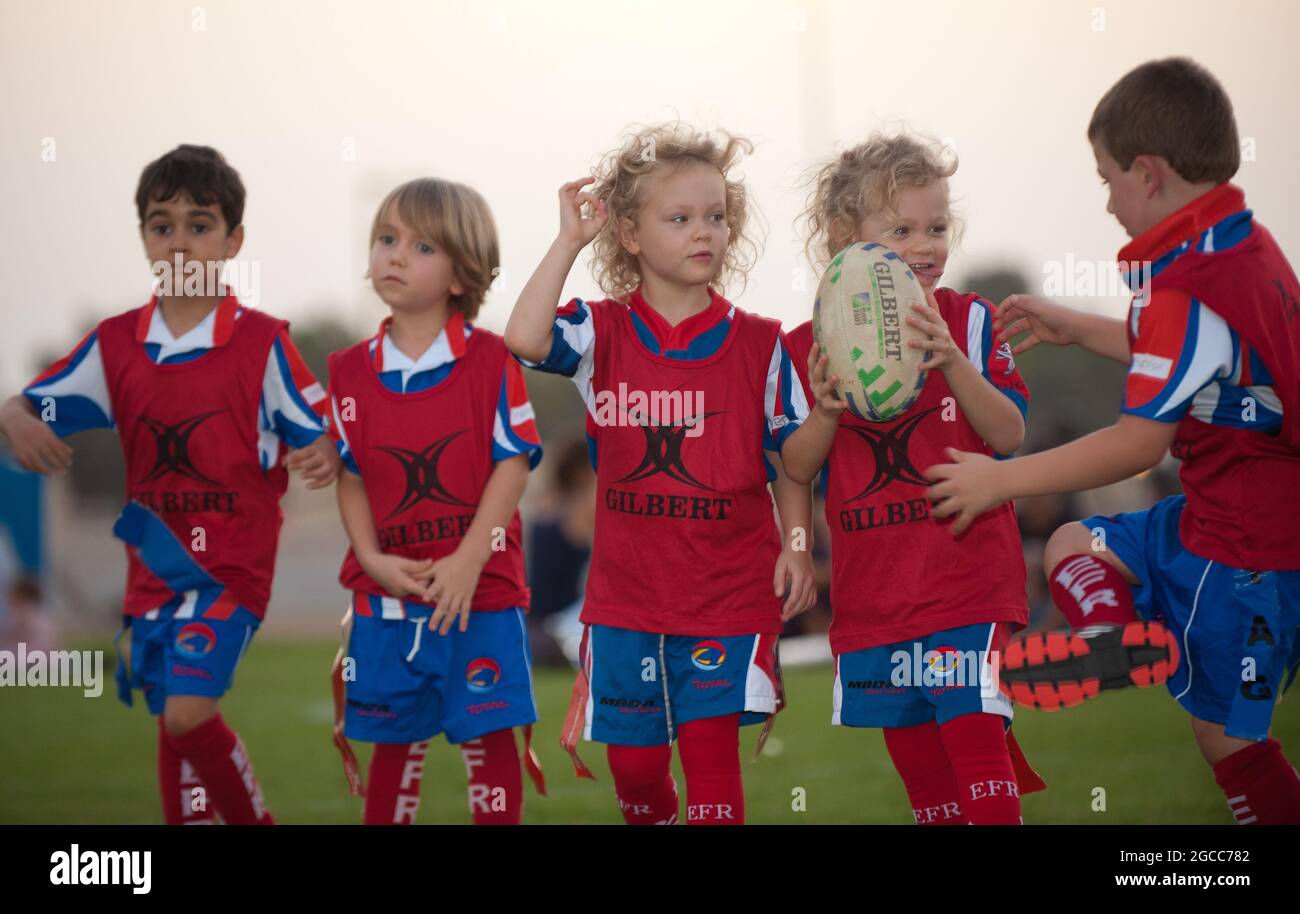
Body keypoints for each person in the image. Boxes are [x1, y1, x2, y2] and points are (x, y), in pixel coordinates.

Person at [927, 58, 1300, 823]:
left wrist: (1001, 479)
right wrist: (1080, 326)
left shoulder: (1179, 290)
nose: (1107, 204)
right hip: (1220, 529)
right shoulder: (1245, 251)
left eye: (1106, 181)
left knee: (1230, 746)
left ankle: (1116, 639)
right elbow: (1213, 362)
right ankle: (1111, 637)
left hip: (1244, 557)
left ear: (1149, 173)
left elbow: (1136, 445)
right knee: (1075, 544)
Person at [0, 144, 339, 825]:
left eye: (199, 223)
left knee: (188, 714)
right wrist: (14, 417)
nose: (179, 240)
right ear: (144, 238)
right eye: (163, 225)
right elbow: (27, 404)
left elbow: (325, 430)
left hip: (230, 576)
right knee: (174, 733)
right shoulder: (115, 343)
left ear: (233, 238)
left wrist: (323, 451)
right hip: (150, 579)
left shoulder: (263, 342)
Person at [505, 122, 818, 824]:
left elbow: (789, 464)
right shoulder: (599, 331)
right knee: (638, 773)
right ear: (629, 233)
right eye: (678, 218)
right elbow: (523, 337)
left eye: (715, 216)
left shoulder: (762, 343)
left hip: (728, 594)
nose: (703, 231)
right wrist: (567, 242)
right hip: (627, 601)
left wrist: (797, 547)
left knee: (713, 769)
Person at [782, 132, 1042, 824]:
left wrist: (956, 362)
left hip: (967, 584)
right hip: (876, 599)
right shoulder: (802, 349)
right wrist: (827, 411)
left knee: (974, 742)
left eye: (936, 227)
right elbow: (795, 467)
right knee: (926, 780)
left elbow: (1010, 435)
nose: (925, 246)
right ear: (844, 236)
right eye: (901, 229)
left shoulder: (972, 321)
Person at [327, 178, 544, 825]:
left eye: (420, 245)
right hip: (390, 594)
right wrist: (370, 556)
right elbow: (351, 475)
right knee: (394, 751)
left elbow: (514, 462)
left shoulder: (492, 360)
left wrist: (470, 558)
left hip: (479, 593)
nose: (393, 255)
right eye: (385, 239)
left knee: (488, 744)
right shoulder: (345, 370)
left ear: (461, 274)